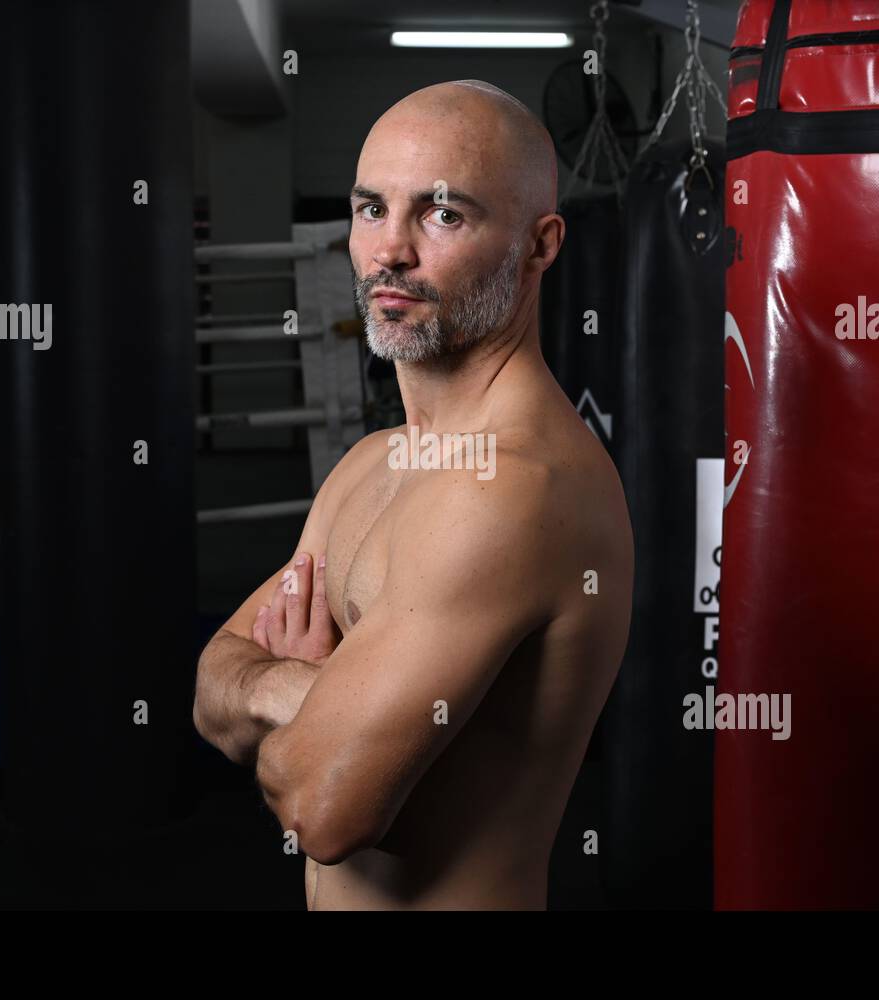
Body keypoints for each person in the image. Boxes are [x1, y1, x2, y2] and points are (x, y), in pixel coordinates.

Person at [193, 79, 634, 909]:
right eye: (369, 210)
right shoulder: (372, 463)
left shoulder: (509, 490)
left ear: (540, 246)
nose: (389, 250)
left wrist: (286, 690)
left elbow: (323, 808)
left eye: (442, 215)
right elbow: (212, 689)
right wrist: (301, 691)